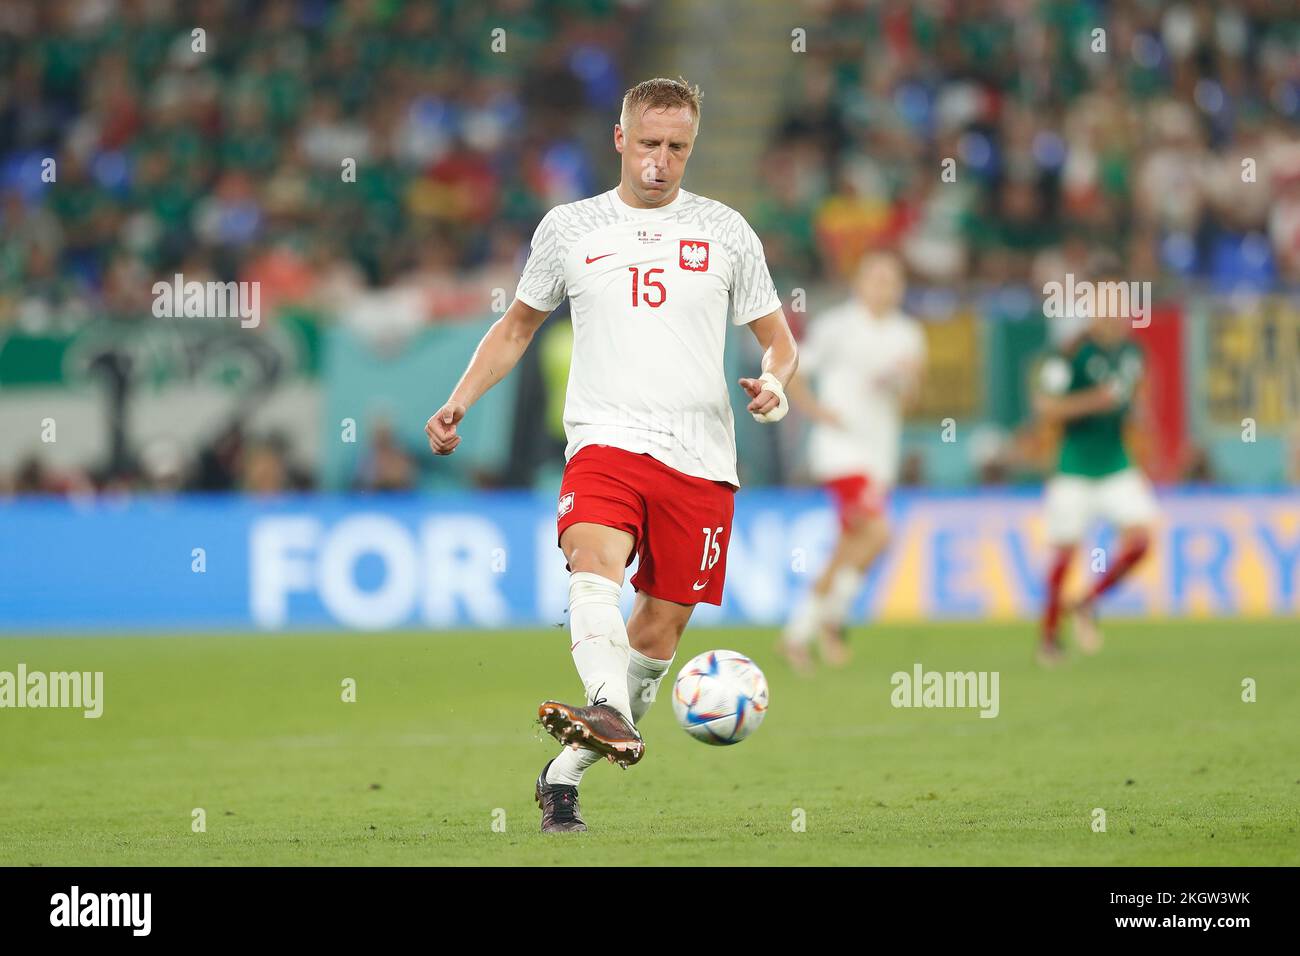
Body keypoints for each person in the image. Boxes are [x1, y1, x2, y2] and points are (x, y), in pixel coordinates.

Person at [425, 78, 798, 832]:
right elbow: (516, 329)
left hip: (701, 460)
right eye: (650, 144)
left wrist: (777, 388)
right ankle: (606, 706)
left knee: (656, 633)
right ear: (620, 139)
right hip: (606, 440)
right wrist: (461, 398)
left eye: (678, 148)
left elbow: (778, 341)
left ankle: (564, 775)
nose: (662, 162)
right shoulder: (570, 228)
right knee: (591, 561)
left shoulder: (726, 231)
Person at [780, 251, 925, 672]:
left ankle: (801, 634)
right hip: (841, 451)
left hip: (880, 452)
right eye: (877, 277)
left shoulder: (908, 334)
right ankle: (830, 621)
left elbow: (912, 400)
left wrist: (908, 379)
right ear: (860, 283)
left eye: (892, 279)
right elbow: (794, 367)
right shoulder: (836, 327)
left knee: (850, 545)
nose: (885, 286)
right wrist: (815, 410)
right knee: (878, 533)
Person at [1034, 297, 1158, 666]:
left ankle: (1088, 601)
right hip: (1074, 466)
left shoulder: (1132, 352)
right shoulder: (1069, 353)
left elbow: (1135, 398)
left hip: (1116, 464)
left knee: (1142, 540)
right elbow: (1046, 406)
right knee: (1064, 553)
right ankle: (1050, 638)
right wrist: (1093, 401)